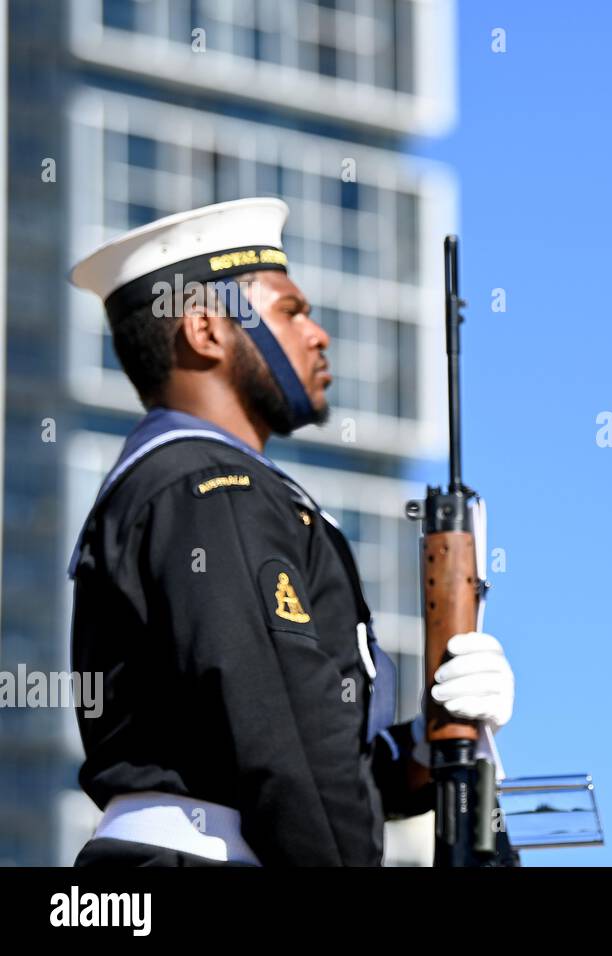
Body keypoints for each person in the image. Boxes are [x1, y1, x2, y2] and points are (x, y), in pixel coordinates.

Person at [65, 198, 515, 866]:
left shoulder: (197, 483)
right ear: (205, 331)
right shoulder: (209, 484)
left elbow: (307, 755)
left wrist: (429, 744)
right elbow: (289, 744)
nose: (319, 333)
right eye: (289, 311)